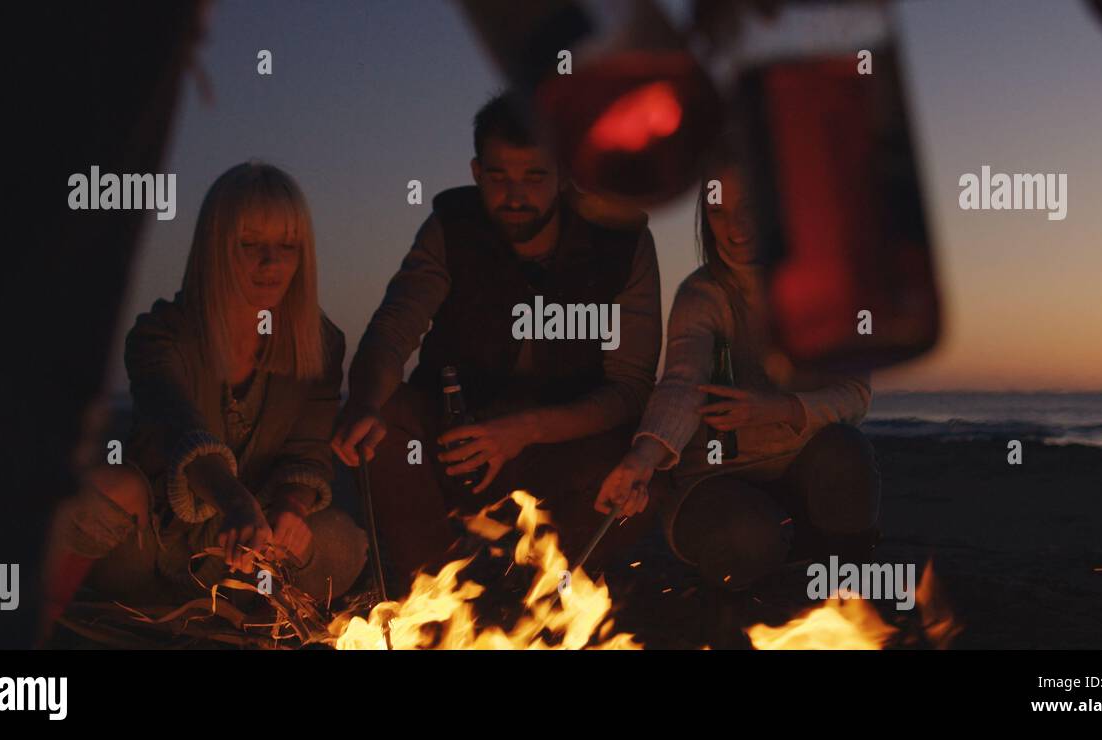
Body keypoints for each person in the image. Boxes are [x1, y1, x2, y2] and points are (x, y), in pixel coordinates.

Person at [332, 94, 665, 595]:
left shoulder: (621, 243)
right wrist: (364, 401)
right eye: (498, 176)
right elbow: (392, 330)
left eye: (534, 176)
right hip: (455, 441)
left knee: (641, 474)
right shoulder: (451, 228)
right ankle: (429, 599)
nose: (515, 195)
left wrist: (525, 429)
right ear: (475, 171)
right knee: (386, 424)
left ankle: (553, 595)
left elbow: (629, 388)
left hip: (568, 443)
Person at [43, 162, 367, 634]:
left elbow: (308, 451)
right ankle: (37, 623)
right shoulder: (160, 336)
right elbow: (179, 429)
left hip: (253, 556)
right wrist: (234, 502)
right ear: (215, 248)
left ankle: (251, 622)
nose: (271, 264)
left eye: (286, 247)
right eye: (250, 246)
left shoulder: (319, 344)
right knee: (104, 489)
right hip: (151, 550)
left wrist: (291, 507)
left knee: (342, 541)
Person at [596, 154, 880, 641]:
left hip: (800, 477)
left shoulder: (821, 283)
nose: (735, 226)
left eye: (749, 206)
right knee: (749, 537)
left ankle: (846, 598)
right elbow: (682, 381)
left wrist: (776, 408)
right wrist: (642, 457)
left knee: (847, 453)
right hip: (715, 482)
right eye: (718, 211)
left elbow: (854, 394)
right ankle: (741, 583)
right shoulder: (702, 295)